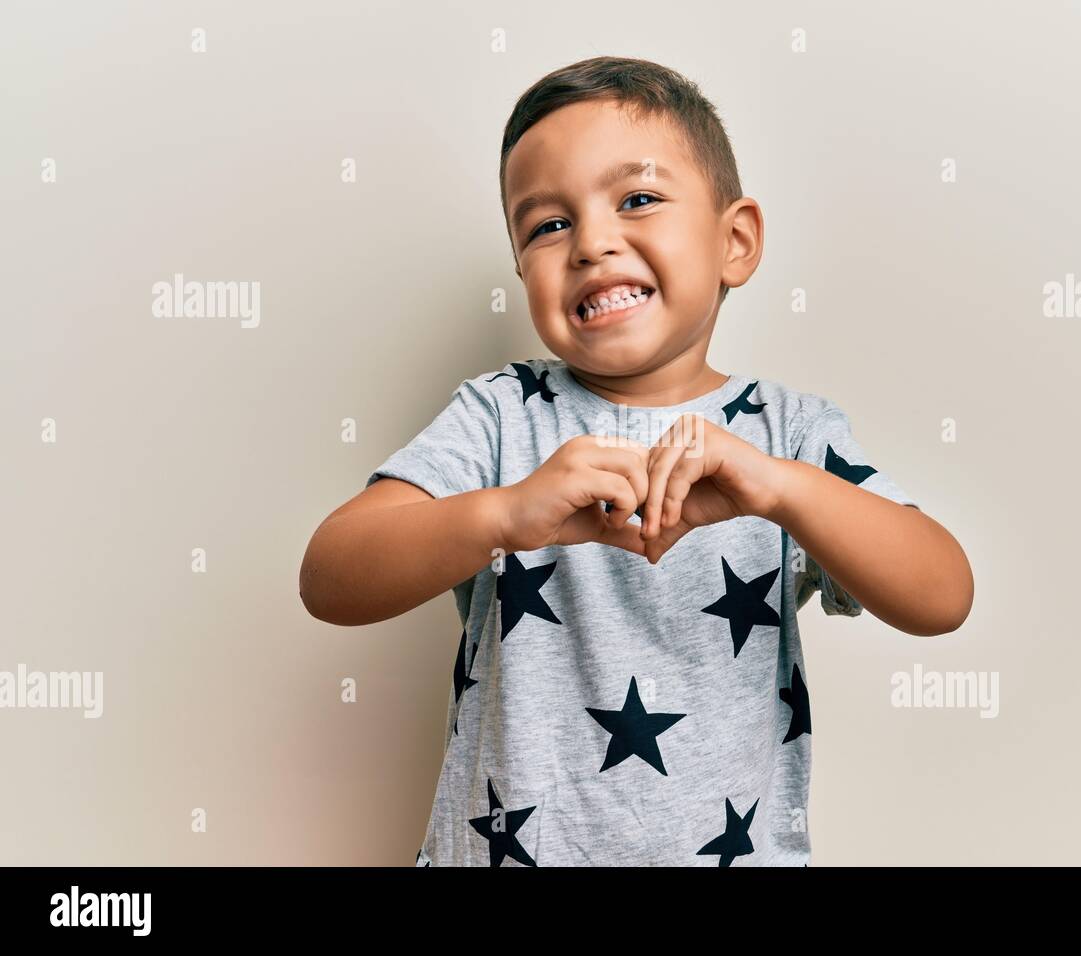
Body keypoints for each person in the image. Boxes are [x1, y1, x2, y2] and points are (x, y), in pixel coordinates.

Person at [299, 56, 974, 866]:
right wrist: (506, 512)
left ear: (735, 240)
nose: (591, 242)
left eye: (638, 199)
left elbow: (943, 595)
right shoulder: (498, 415)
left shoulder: (791, 433)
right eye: (547, 225)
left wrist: (783, 490)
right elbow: (329, 579)